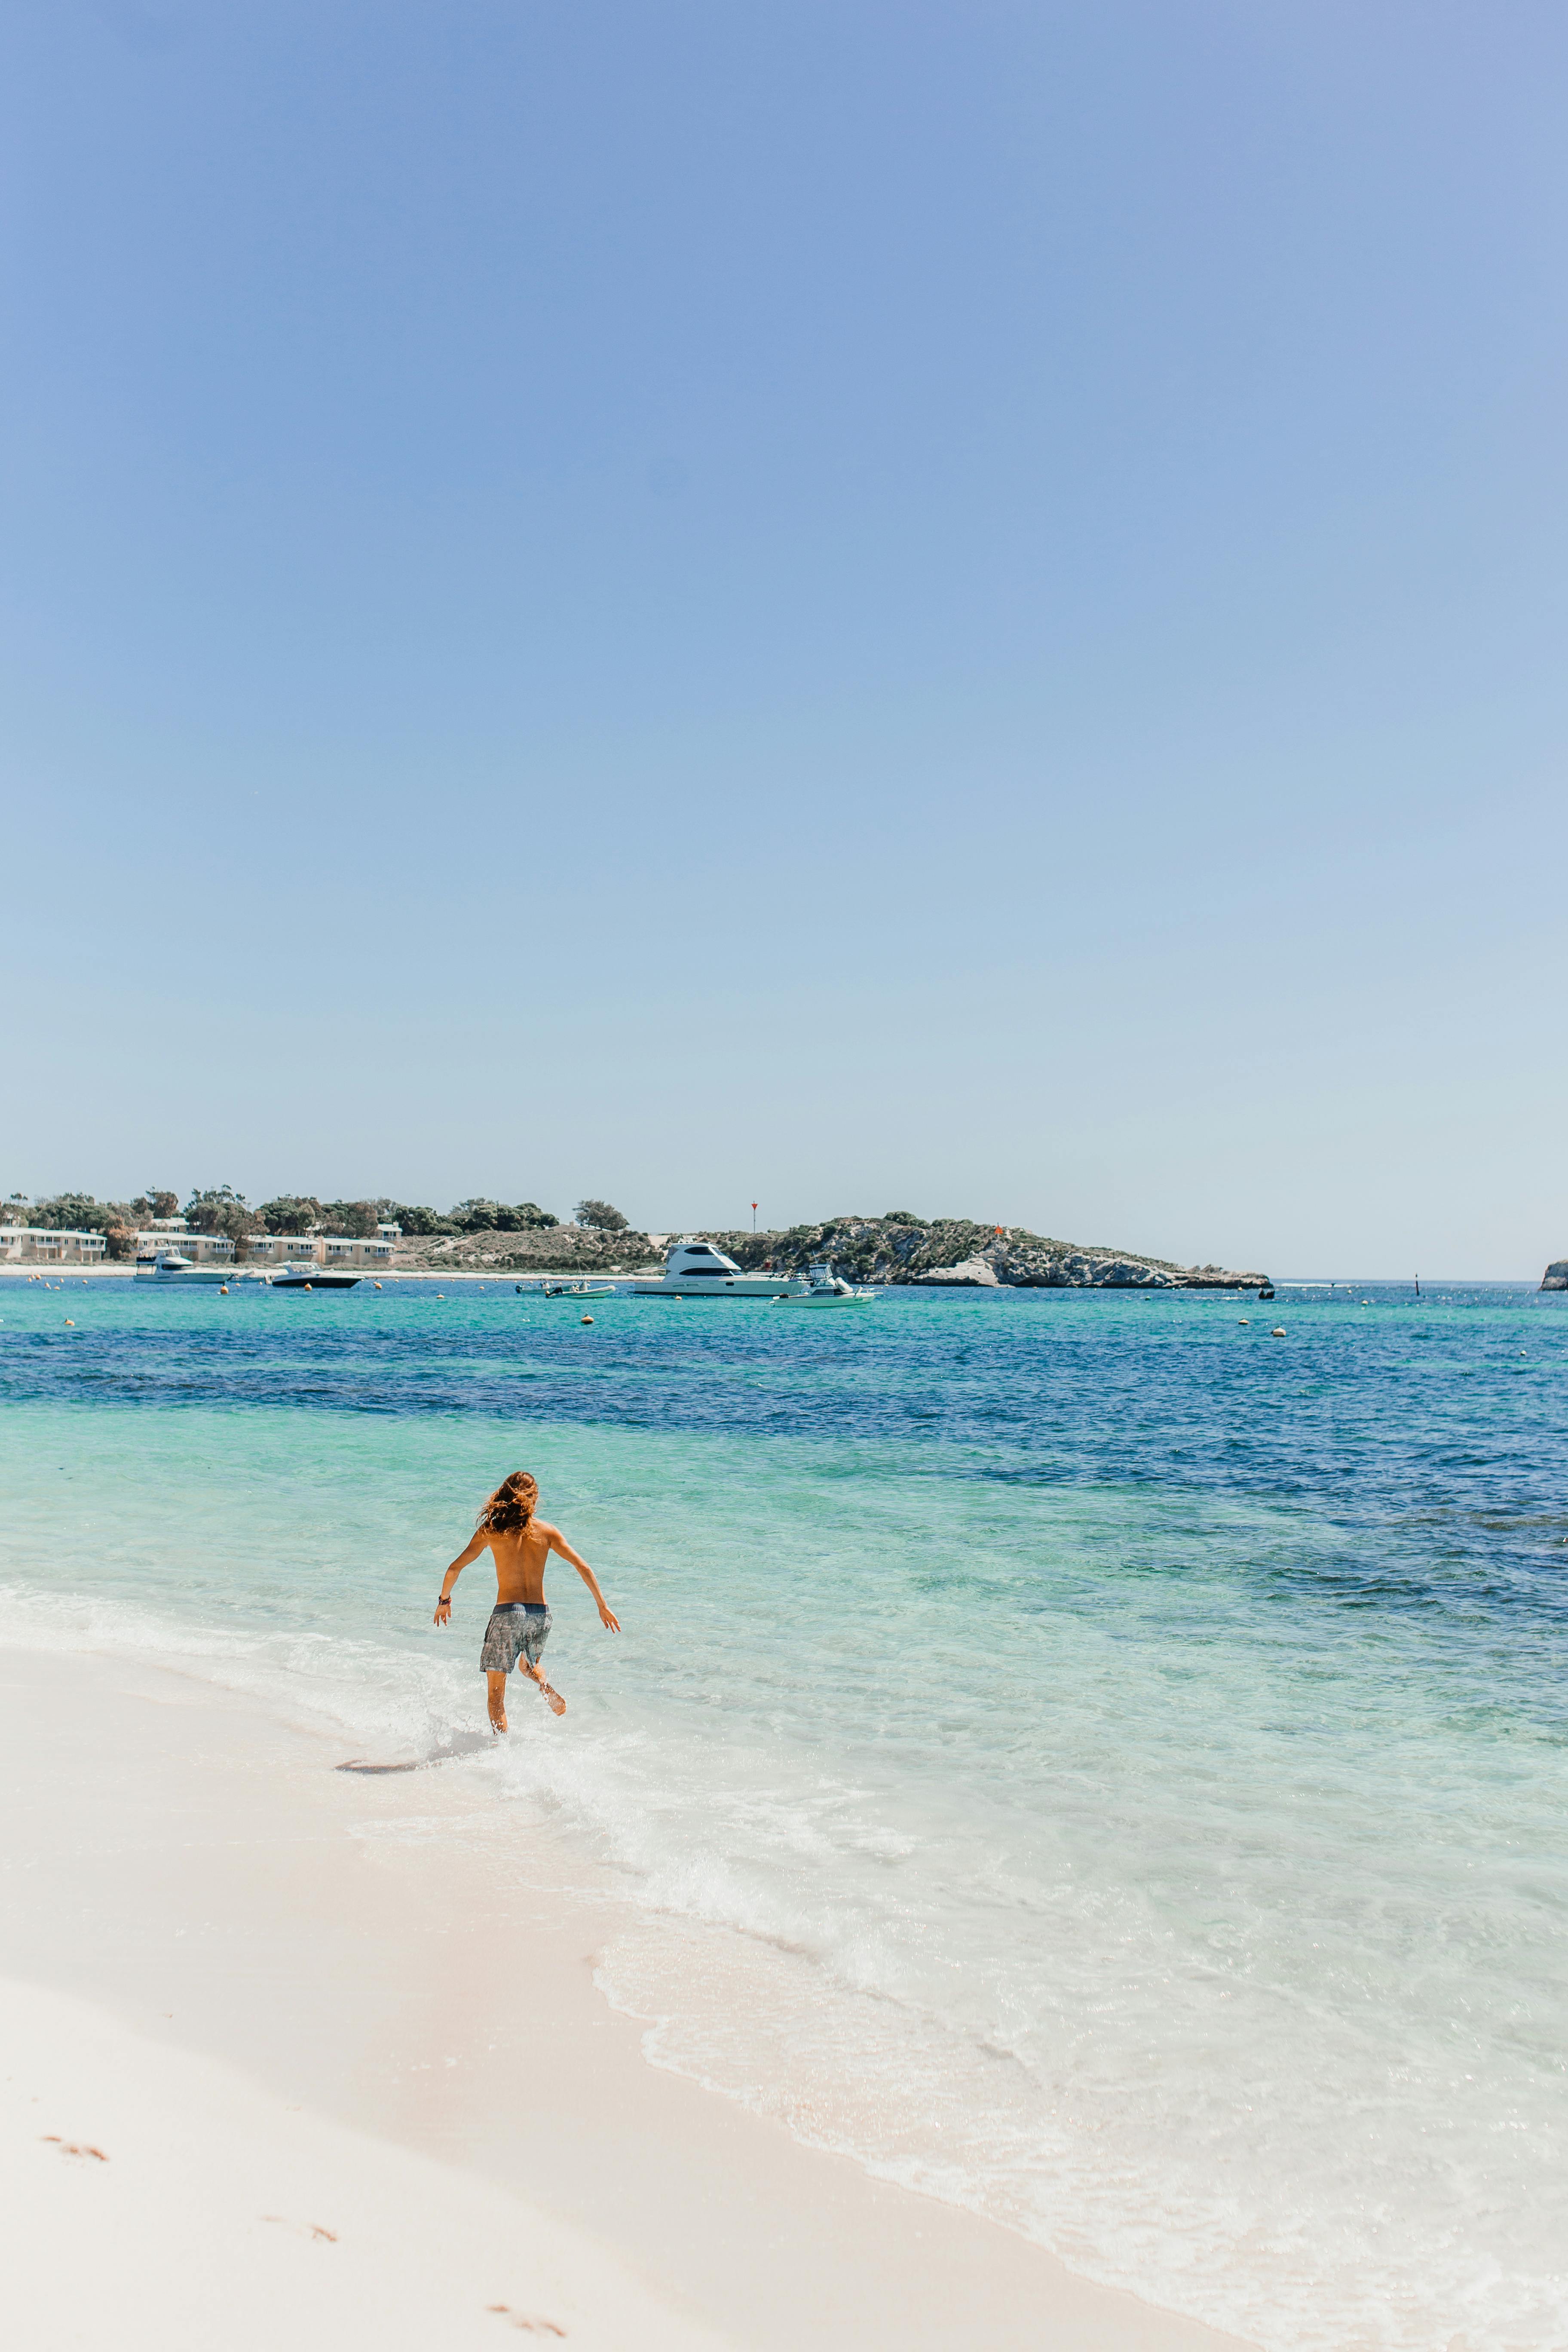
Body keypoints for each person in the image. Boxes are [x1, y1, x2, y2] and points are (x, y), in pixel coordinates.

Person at [434, 1471, 619, 1730]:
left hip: (508, 1614)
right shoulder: (548, 1531)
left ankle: (501, 1754)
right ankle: (543, 1685)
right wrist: (603, 1606)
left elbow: (455, 1568)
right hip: (540, 1615)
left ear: (504, 1494)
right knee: (529, 1666)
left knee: (496, 1695)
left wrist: (444, 1601)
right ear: (534, 1498)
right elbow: (583, 1567)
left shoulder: (491, 1531)